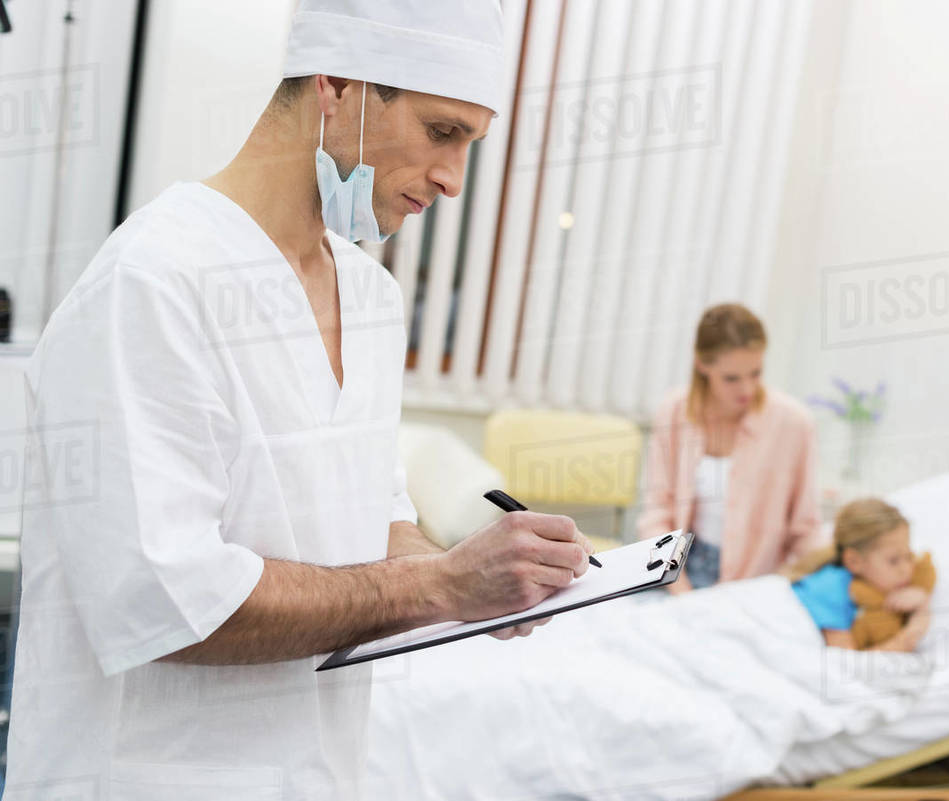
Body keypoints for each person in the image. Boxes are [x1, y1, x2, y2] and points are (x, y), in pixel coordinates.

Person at [4, 3, 595, 799]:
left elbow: (373, 523)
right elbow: (169, 602)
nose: (455, 181)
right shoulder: (152, 282)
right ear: (339, 86)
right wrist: (440, 587)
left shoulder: (372, 298)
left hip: (315, 772)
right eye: (442, 133)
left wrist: (488, 578)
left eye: (469, 147)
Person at [637, 303, 821, 592]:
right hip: (676, 572)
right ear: (702, 365)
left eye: (756, 373)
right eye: (732, 378)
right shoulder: (673, 412)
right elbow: (657, 514)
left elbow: (805, 529)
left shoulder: (795, 424)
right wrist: (678, 589)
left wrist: (780, 586)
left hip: (754, 582)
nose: (747, 390)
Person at [783, 498, 934, 652]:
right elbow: (847, 663)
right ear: (854, 561)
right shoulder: (830, 587)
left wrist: (921, 598)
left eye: (909, 556)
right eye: (893, 561)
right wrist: (920, 617)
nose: (906, 568)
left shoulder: (873, 584)